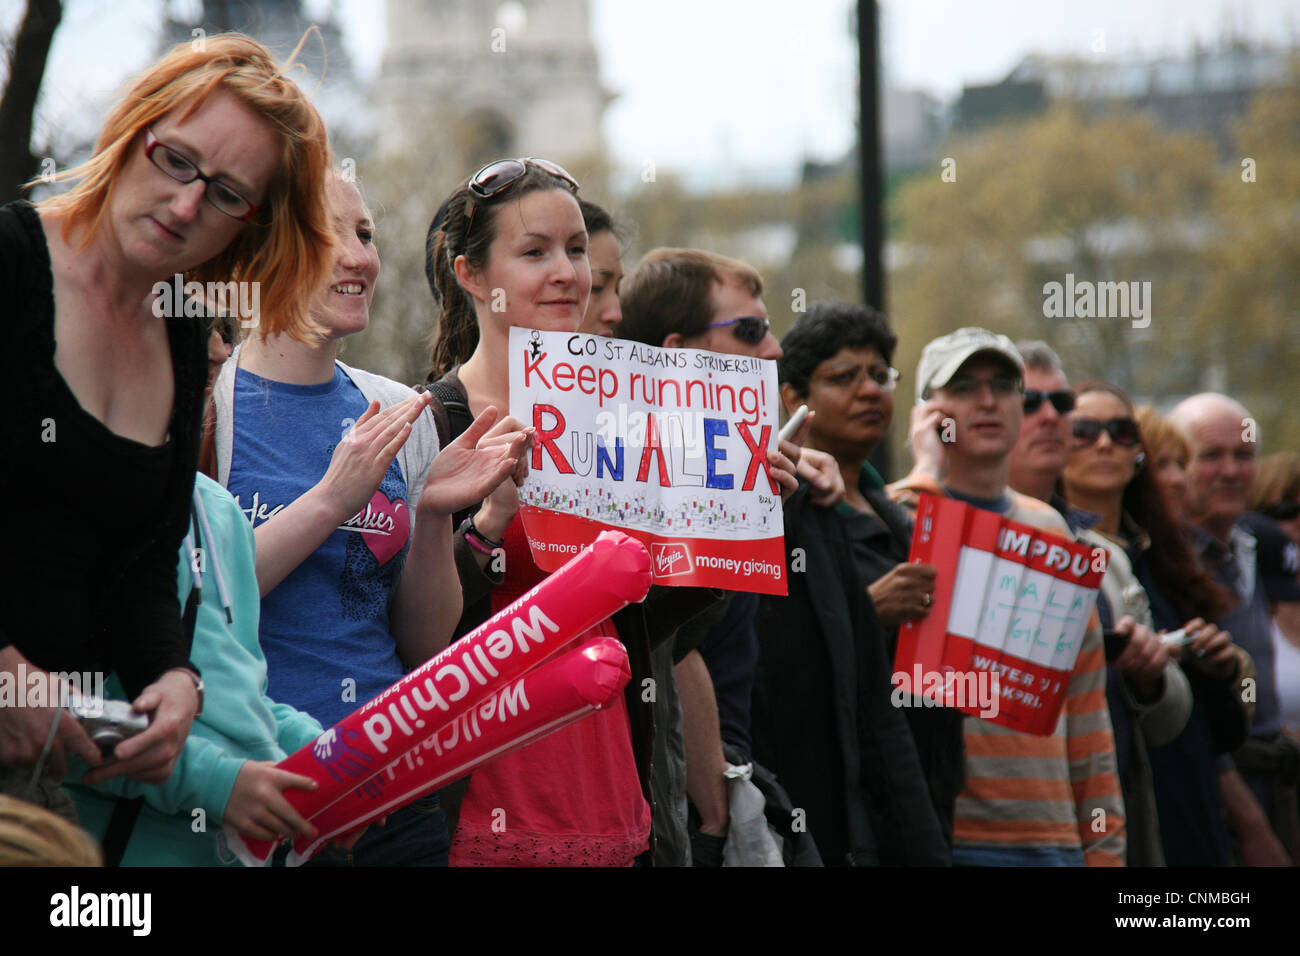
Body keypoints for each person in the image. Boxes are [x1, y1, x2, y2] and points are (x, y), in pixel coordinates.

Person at [0, 33, 336, 817]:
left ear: (249, 228)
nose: (186, 204)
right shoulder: (12, 263)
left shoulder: (183, 330)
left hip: (48, 793)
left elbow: (144, 562)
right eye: (177, 161)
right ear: (133, 132)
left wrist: (175, 677)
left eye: (225, 194)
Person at [210, 173, 526, 866]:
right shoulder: (210, 408)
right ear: (259, 253)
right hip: (258, 785)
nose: (359, 258)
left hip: (392, 790)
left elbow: (420, 642)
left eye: (366, 234)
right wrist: (329, 500)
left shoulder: (397, 412)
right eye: (330, 236)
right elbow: (197, 601)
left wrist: (436, 517)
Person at [424, 158, 717, 866]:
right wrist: (485, 530)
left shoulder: (628, 419)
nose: (567, 272)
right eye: (534, 253)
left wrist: (732, 518)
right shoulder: (428, 424)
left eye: (577, 249)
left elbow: (654, 622)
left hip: (611, 787)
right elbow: (411, 642)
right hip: (482, 800)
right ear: (472, 277)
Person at [888, 328, 1125, 866]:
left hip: (1053, 838)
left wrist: (1105, 850)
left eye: (1003, 384)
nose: (988, 401)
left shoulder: (1052, 530)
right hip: (943, 837)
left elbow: (1085, 702)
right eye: (964, 387)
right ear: (926, 411)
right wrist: (925, 471)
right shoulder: (895, 514)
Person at [775, 301, 962, 850]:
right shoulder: (783, 516)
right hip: (842, 807)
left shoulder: (902, 518)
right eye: (844, 377)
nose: (869, 391)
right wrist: (868, 612)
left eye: (880, 375)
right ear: (794, 398)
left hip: (925, 790)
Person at [1003, 347, 1190, 867]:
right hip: (996, 837)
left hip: (1104, 834)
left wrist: (1152, 677)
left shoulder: (1105, 557)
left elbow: (1168, 722)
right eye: (1029, 401)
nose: (1049, 416)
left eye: (1061, 402)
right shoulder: (951, 538)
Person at [1171, 393, 1298, 862]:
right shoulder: (1171, 562)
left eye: (1243, 455)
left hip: (1270, 781)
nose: (1230, 471)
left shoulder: (1250, 548)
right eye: (1211, 456)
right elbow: (1193, 719)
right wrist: (1251, 827)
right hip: (1213, 799)